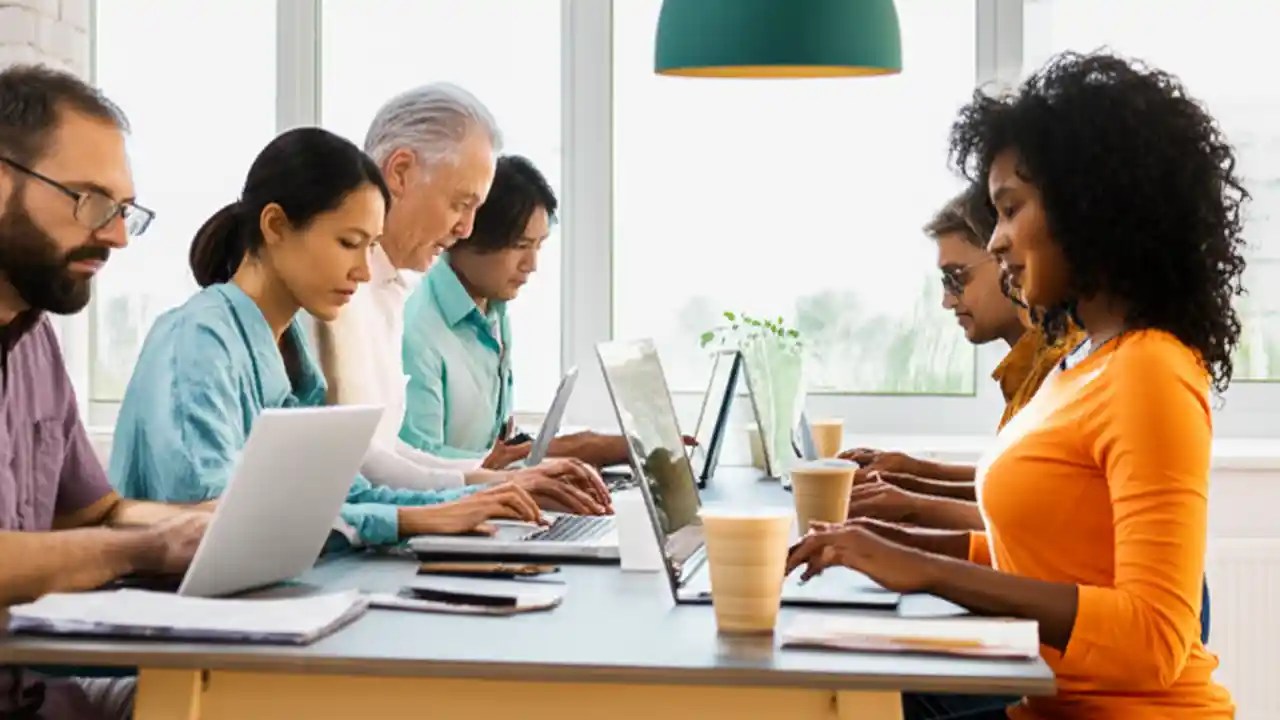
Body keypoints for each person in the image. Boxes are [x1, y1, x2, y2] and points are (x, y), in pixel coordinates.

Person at [789, 51, 1239, 719]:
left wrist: (927, 568)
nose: (996, 242)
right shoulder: (1081, 362)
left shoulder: (1150, 368)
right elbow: (1035, 558)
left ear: (1091, 207)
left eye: (1009, 209)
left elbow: (1156, 641)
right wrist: (880, 547)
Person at [109, 127, 602, 549]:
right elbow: (215, 521)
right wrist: (412, 519)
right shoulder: (200, 340)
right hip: (182, 635)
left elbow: (344, 494)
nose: (364, 271)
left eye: (370, 246)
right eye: (349, 243)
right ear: (276, 225)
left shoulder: (289, 356)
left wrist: (475, 499)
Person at [0, 64, 209, 720]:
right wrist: (142, 547)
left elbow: (91, 513)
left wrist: (208, 523)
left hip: (41, 694)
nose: (118, 235)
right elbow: (112, 539)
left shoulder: (33, 338)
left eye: (123, 211)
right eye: (91, 202)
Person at [313, 84, 618, 492]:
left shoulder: (393, 288)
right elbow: (355, 468)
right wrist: (494, 485)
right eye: (460, 204)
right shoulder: (337, 296)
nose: (466, 230)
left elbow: (383, 453)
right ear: (400, 172)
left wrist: (502, 481)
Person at [399, 153, 635, 468]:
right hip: (448, 508)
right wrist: (552, 455)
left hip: (490, 498)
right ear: (468, 233)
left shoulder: (493, 308)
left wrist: (569, 450)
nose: (531, 265)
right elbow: (420, 463)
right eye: (521, 246)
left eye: (539, 246)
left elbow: (496, 443)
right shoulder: (415, 330)